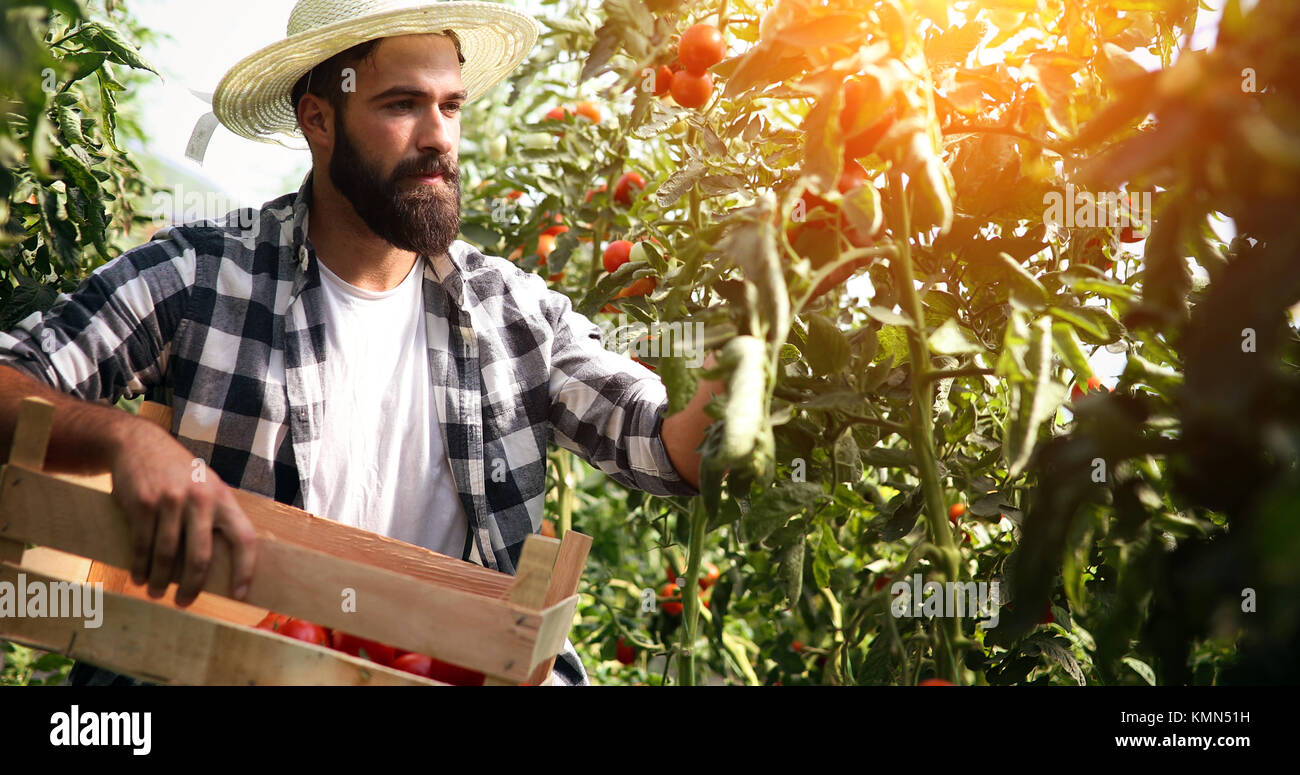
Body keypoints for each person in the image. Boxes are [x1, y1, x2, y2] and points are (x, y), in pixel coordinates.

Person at [0, 0, 722, 686]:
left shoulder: (513, 313)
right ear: (319, 119)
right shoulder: (203, 276)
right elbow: (12, 377)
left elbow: (663, 446)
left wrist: (746, 359)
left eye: (451, 106)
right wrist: (125, 443)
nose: (438, 135)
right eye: (402, 104)